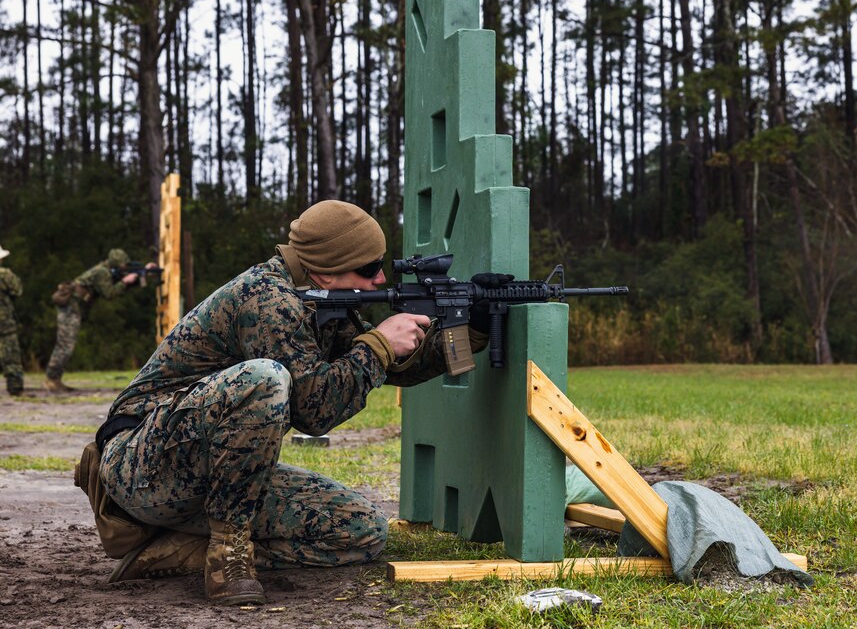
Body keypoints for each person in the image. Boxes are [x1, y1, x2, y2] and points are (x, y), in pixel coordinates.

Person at [94, 200, 494, 606]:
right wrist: (377, 346)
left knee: (362, 530)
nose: (380, 279)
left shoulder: (322, 299)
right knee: (265, 379)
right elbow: (314, 410)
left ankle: (178, 551)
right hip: (143, 468)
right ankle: (226, 555)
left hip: (211, 475)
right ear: (328, 267)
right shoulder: (268, 299)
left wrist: (473, 326)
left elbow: (391, 365)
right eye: (370, 268)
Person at [44, 249, 156, 392]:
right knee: (65, 345)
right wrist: (124, 282)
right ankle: (51, 379)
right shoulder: (102, 273)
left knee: (66, 345)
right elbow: (109, 293)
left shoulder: (106, 271)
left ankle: (54, 379)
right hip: (70, 308)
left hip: (74, 308)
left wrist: (143, 272)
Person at [0, 245, 24, 397]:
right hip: (4, 321)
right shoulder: (5, 274)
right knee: (11, 354)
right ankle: (14, 387)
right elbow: (17, 290)